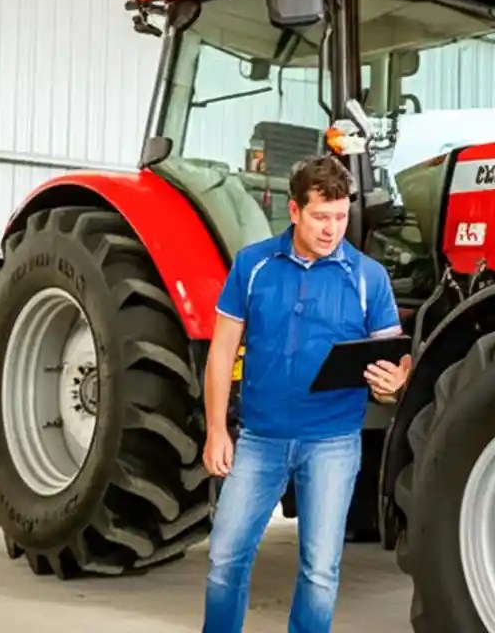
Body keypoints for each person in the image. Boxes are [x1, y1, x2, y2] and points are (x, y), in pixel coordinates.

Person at [200, 154, 412, 633]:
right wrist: (216, 430)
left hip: (333, 442)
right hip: (260, 438)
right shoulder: (252, 266)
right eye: (320, 217)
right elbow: (220, 354)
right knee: (225, 558)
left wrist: (394, 384)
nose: (331, 229)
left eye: (340, 217)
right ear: (294, 211)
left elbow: (395, 359)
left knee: (319, 571)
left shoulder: (367, 278)